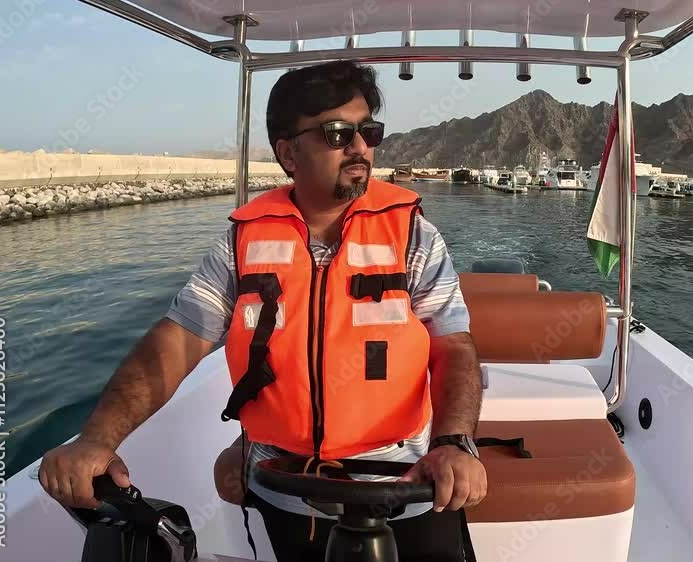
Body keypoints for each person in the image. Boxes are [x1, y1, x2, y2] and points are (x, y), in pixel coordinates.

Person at [38, 60, 487, 562]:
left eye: (368, 131)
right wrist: (97, 438)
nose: (360, 147)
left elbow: (452, 346)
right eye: (338, 133)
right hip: (283, 487)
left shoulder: (413, 236)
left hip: (406, 485)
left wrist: (453, 443)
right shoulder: (241, 243)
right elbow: (178, 339)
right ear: (288, 152)